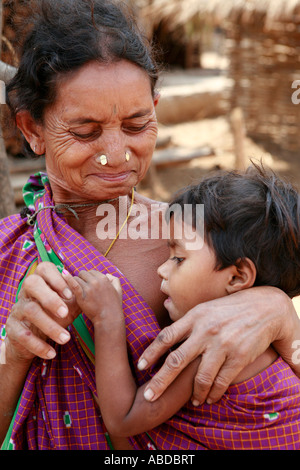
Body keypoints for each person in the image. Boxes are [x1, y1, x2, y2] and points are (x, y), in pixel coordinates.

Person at [0, 0, 300, 450]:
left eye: (138, 124)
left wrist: (279, 313)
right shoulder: (8, 249)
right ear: (32, 128)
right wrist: (14, 353)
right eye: (86, 131)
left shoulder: (202, 240)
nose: (116, 153)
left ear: (156, 108)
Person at [62, 164, 300, 450]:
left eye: (178, 259)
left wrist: (107, 319)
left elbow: (124, 419)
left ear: (237, 276)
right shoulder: (276, 344)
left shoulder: (211, 346)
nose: (162, 269)